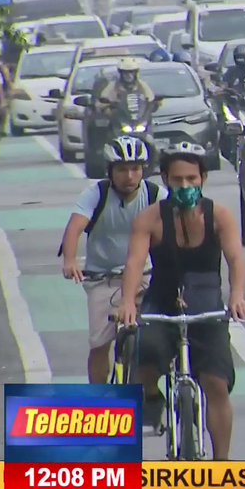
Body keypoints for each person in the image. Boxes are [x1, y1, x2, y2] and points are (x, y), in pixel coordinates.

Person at [118, 142, 245, 466]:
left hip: (205, 300)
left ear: (203, 178)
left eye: (192, 179)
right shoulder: (150, 219)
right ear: (165, 179)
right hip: (162, 300)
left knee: (216, 384)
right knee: (142, 354)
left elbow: (235, 258)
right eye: (177, 180)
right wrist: (127, 304)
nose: (185, 186)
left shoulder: (219, 216)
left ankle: (221, 464)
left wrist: (237, 296)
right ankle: (153, 396)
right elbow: (135, 263)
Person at [58, 137, 164, 384]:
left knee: (156, 338)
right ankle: (99, 400)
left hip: (144, 278)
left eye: (135, 169)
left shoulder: (155, 194)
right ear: (110, 171)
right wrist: (70, 260)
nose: (129, 176)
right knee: (99, 345)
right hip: (102, 280)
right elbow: (74, 228)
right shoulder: (96, 194)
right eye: (122, 170)